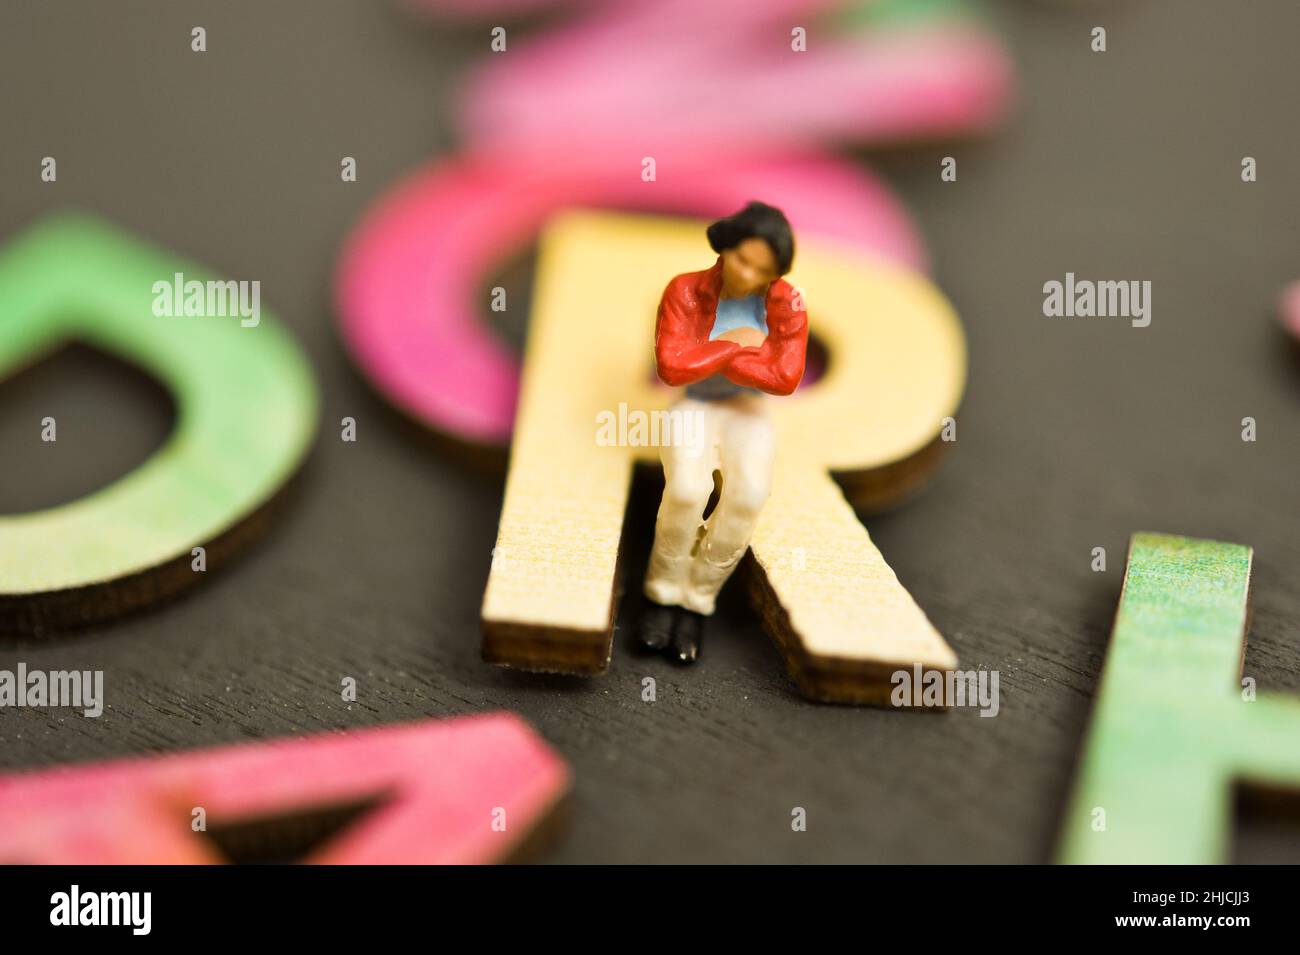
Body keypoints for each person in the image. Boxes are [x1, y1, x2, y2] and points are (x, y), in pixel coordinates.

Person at [640, 201, 808, 662]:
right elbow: (673, 367)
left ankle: (697, 601)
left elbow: (785, 378)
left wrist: (708, 354)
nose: (749, 275)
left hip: (747, 412)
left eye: (763, 269)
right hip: (695, 403)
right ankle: (660, 593)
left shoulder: (788, 302)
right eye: (742, 259)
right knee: (687, 490)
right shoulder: (685, 290)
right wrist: (734, 348)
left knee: (750, 495)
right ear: (724, 247)